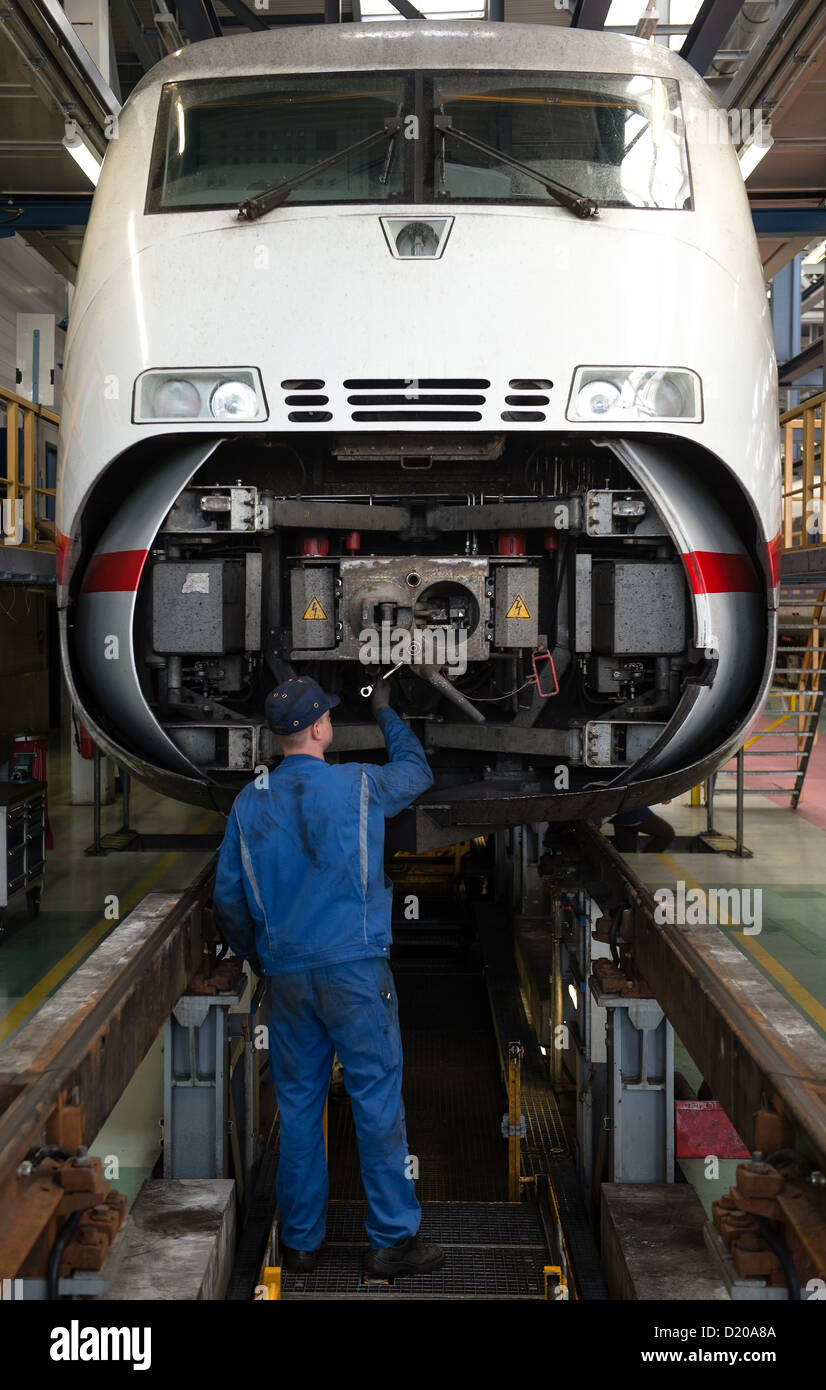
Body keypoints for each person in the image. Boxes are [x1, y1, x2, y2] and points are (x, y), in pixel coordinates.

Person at [212, 672, 445, 1279]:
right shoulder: (360, 784)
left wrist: (263, 956)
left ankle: (302, 1243)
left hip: (288, 976)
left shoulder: (248, 802)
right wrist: (390, 715)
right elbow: (418, 772)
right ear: (319, 728)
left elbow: (229, 902)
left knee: (297, 1107)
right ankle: (392, 1240)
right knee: (375, 1102)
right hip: (356, 974)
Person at [609, 803, 675, 854]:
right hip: (631, 811)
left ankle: (628, 867)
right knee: (667, 834)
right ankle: (647, 862)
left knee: (628, 853)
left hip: (619, 810)